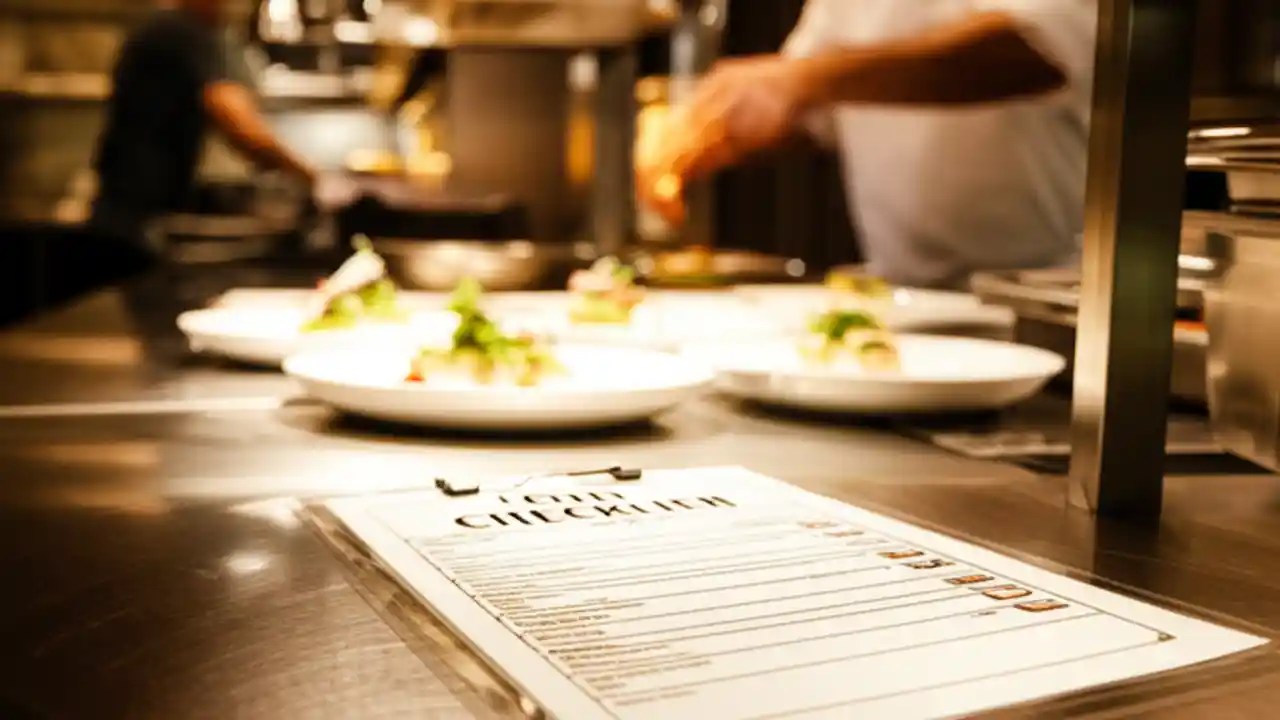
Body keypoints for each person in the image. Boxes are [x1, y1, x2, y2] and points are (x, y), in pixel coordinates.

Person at [638, 1, 1097, 289]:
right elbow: (809, 106)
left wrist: (800, 80)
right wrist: (703, 132)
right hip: (902, 296)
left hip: (1045, 294)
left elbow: (1034, 48)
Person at [88, 0, 335, 276]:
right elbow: (236, 121)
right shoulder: (181, 32)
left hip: (135, 210)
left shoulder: (179, 28)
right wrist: (314, 178)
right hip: (137, 220)